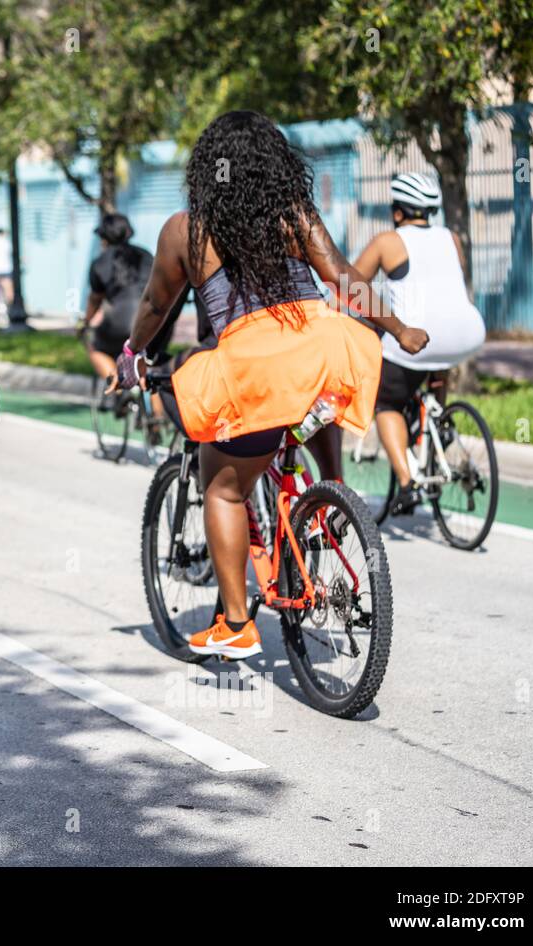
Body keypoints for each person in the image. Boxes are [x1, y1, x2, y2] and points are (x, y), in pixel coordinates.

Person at [112, 111, 429, 660]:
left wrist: (131, 354)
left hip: (256, 370)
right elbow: (344, 280)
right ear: (275, 165)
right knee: (312, 408)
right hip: (325, 353)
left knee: (224, 488)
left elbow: (156, 305)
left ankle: (236, 624)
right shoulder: (293, 214)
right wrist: (398, 328)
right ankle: (330, 494)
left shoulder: (185, 231)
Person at [353, 172, 486, 515]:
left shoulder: (388, 240)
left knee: (386, 403)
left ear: (398, 212)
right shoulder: (451, 238)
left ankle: (408, 483)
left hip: (416, 339)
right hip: (465, 333)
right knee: (434, 362)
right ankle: (440, 427)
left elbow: (350, 285)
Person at [83, 213, 155, 380]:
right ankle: (148, 396)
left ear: (104, 238)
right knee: (151, 370)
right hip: (152, 322)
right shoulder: (146, 255)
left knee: (94, 346)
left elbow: (95, 300)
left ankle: (118, 385)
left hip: (120, 324)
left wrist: (86, 323)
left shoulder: (99, 263)